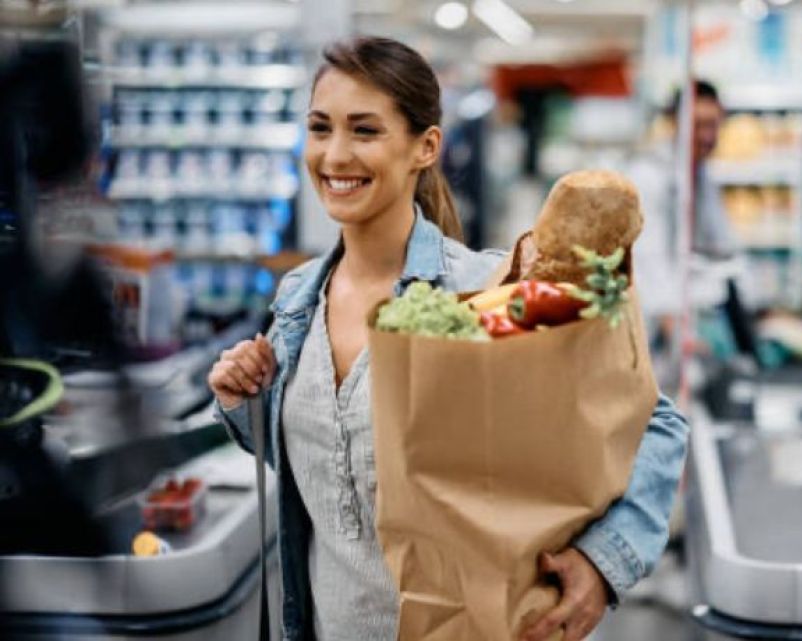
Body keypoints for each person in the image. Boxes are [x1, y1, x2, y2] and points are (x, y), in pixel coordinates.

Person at [207, 37, 689, 641]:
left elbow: (654, 423)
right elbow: (331, 470)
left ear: (425, 147)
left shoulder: (488, 291)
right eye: (319, 127)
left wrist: (603, 561)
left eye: (364, 131)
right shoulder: (297, 303)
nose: (334, 155)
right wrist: (242, 400)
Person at [627, 80, 737, 345]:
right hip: (657, 326)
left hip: (694, 317)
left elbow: (721, 246)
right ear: (675, 123)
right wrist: (671, 324)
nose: (708, 136)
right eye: (699, 125)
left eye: (714, 125)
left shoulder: (701, 174)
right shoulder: (649, 175)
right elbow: (648, 256)